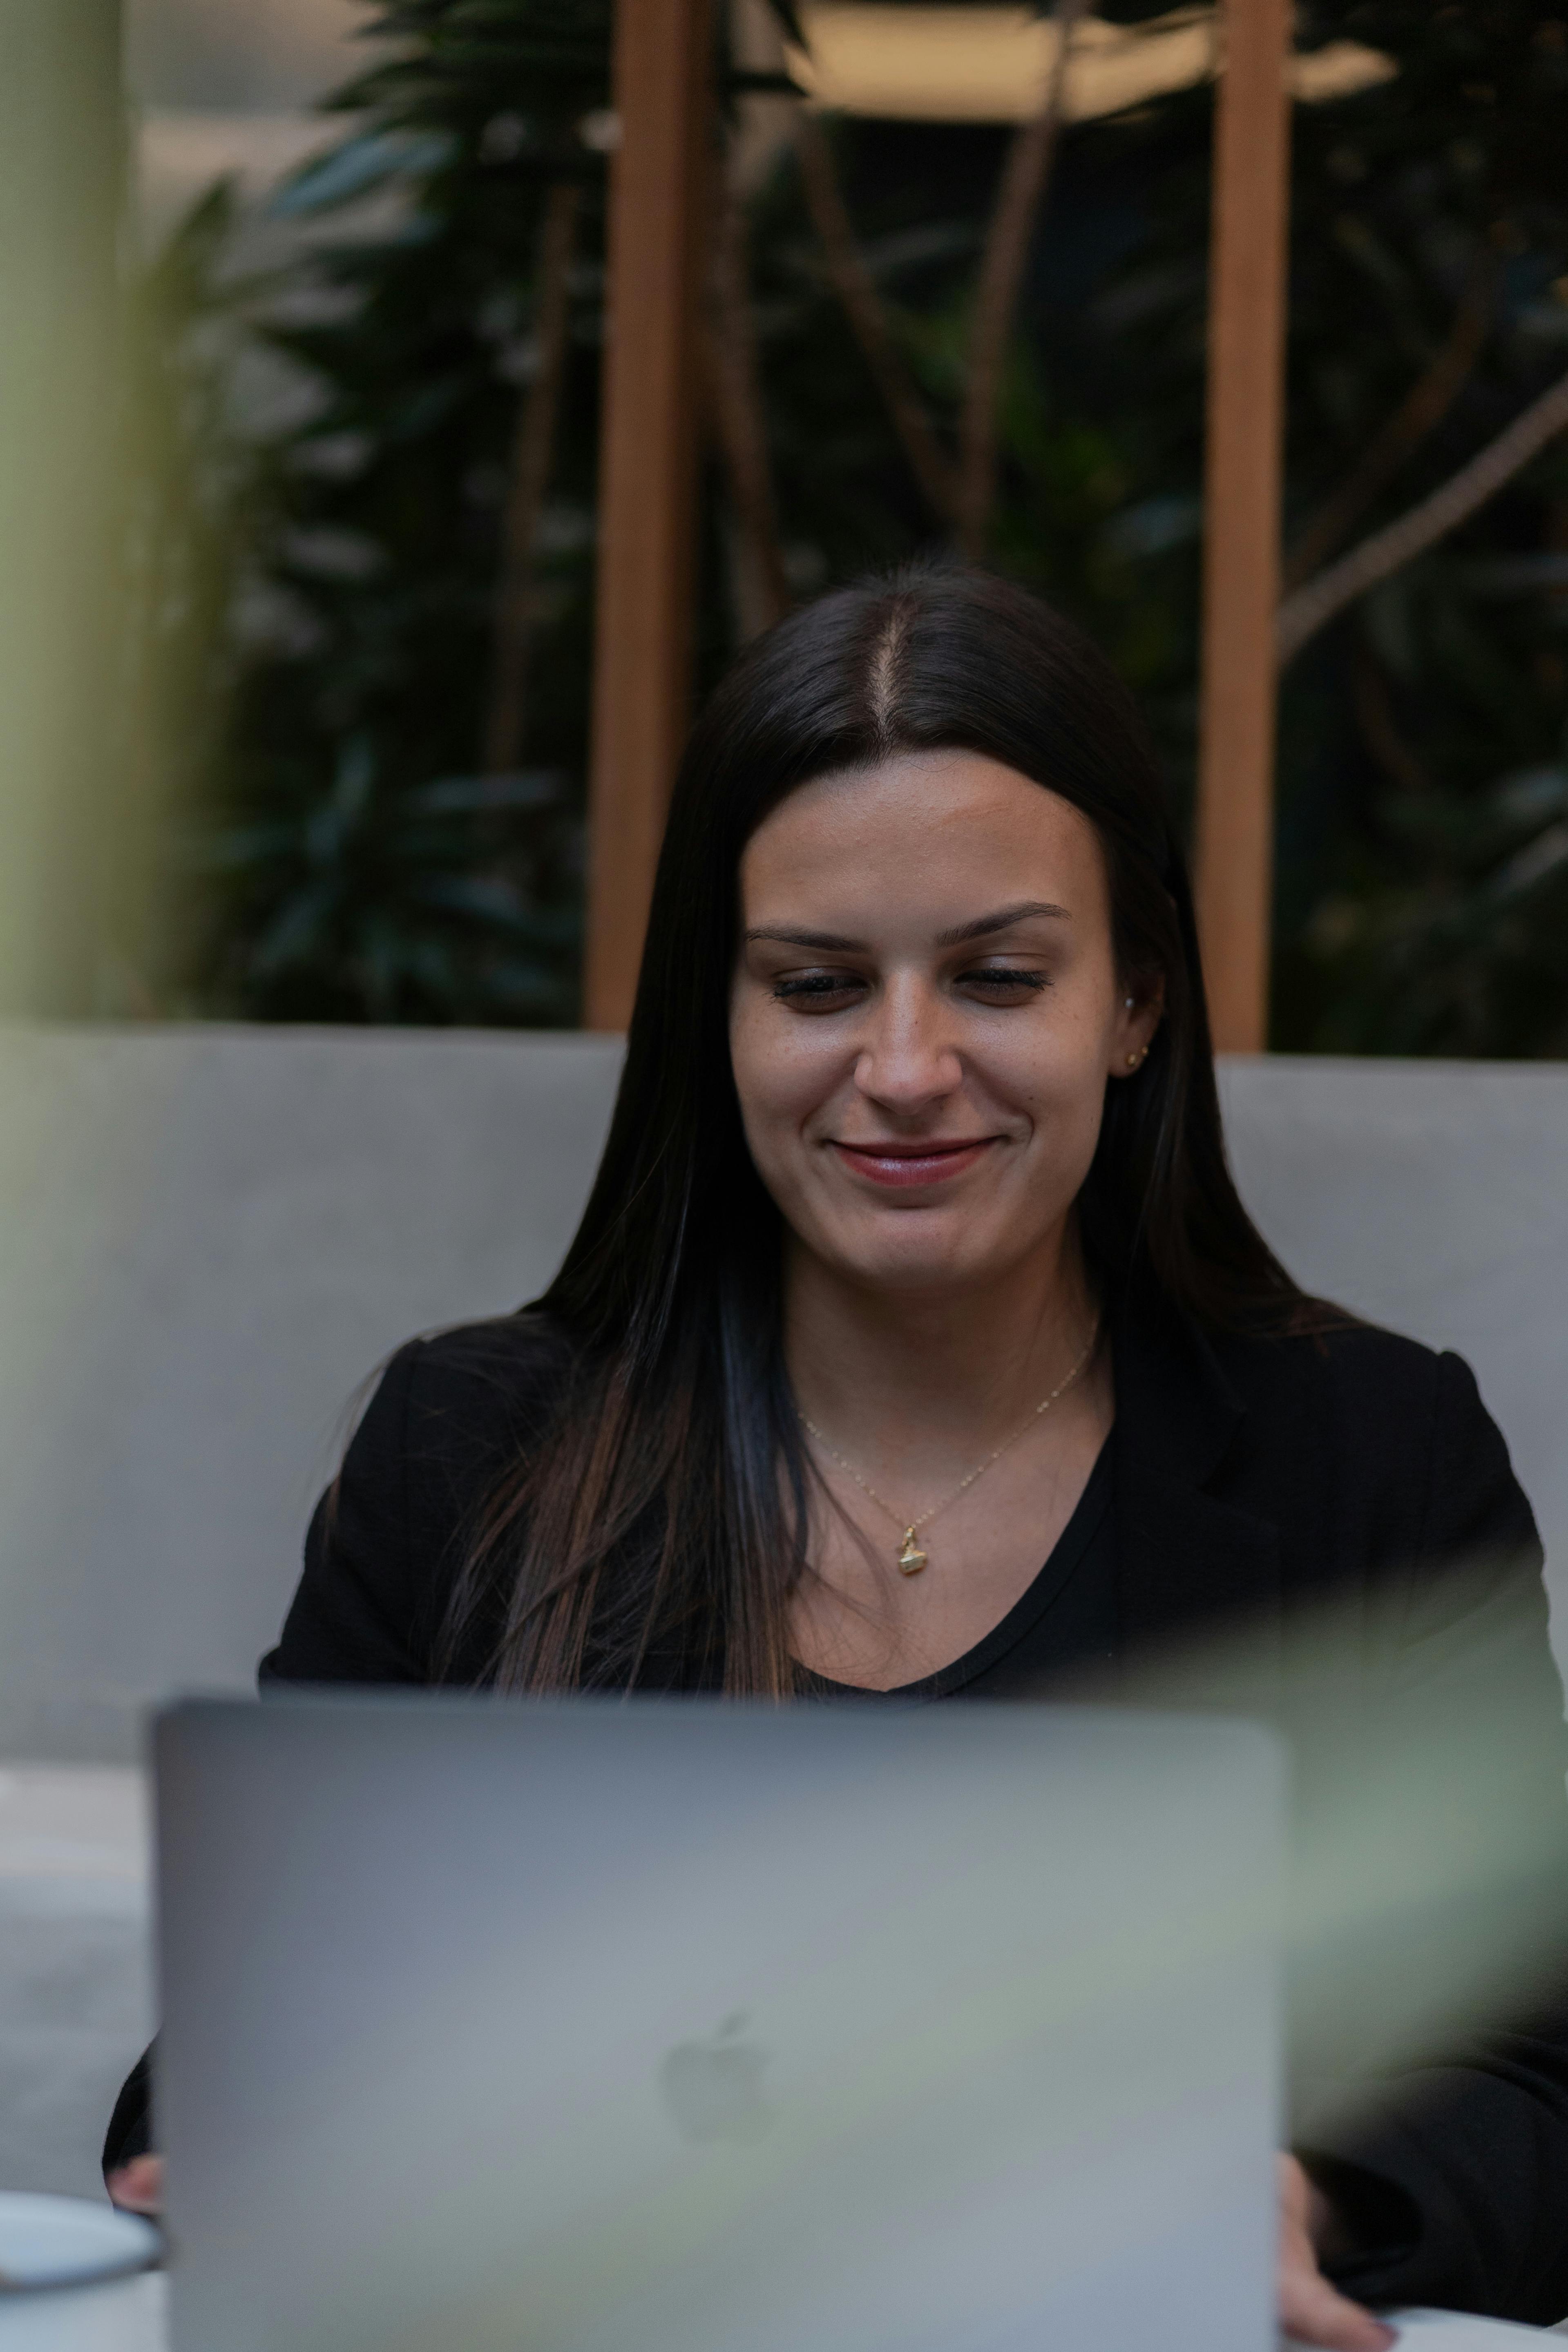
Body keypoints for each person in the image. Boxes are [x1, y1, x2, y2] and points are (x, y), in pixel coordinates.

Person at [105, 568, 1568, 2348]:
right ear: (717, 1020)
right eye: (815, 984)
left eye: (999, 978)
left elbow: (1537, 2076)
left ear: (1134, 1003)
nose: (904, 1066)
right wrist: (274, 2147)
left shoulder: (1375, 1459)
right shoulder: (466, 1452)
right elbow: (228, 2068)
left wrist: (1305, 2192)